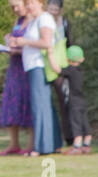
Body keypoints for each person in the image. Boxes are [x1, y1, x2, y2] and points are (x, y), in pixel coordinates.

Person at [8, 0, 56, 155]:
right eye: (27, 4)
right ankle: (47, 144)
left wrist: (24, 41)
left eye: (31, 3)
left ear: (40, 3)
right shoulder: (36, 20)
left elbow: (46, 42)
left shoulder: (44, 18)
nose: (29, 7)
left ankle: (42, 147)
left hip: (38, 65)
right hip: (31, 66)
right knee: (40, 107)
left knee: (40, 108)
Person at [1, 0, 31, 155]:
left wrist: (18, 49)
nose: (15, 9)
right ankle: (14, 144)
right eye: (12, 7)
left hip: (26, 67)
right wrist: (9, 41)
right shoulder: (18, 21)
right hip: (14, 67)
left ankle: (31, 144)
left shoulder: (33, 21)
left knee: (27, 102)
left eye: (17, 6)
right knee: (11, 101)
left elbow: (34, 44)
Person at [45, 0, 70, 147]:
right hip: (47, 66)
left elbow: (69, 42)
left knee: (65, 102)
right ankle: (52, 137)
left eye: (56, 9)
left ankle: (69, 137)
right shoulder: (43, 23)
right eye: (51, 8)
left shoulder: (64, 23)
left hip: (62, 67)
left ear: (60, 10)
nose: (53, 11)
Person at [61, 41, 86, 153]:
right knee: (84, 121)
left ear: (67, 59)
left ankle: (77, 146)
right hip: (82, 100)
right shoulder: (80, 71)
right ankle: (87, 144)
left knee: (75, 122)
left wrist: (51, 54)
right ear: (82, 59)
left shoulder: (70, 71)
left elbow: (58, 70)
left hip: (73, 101)